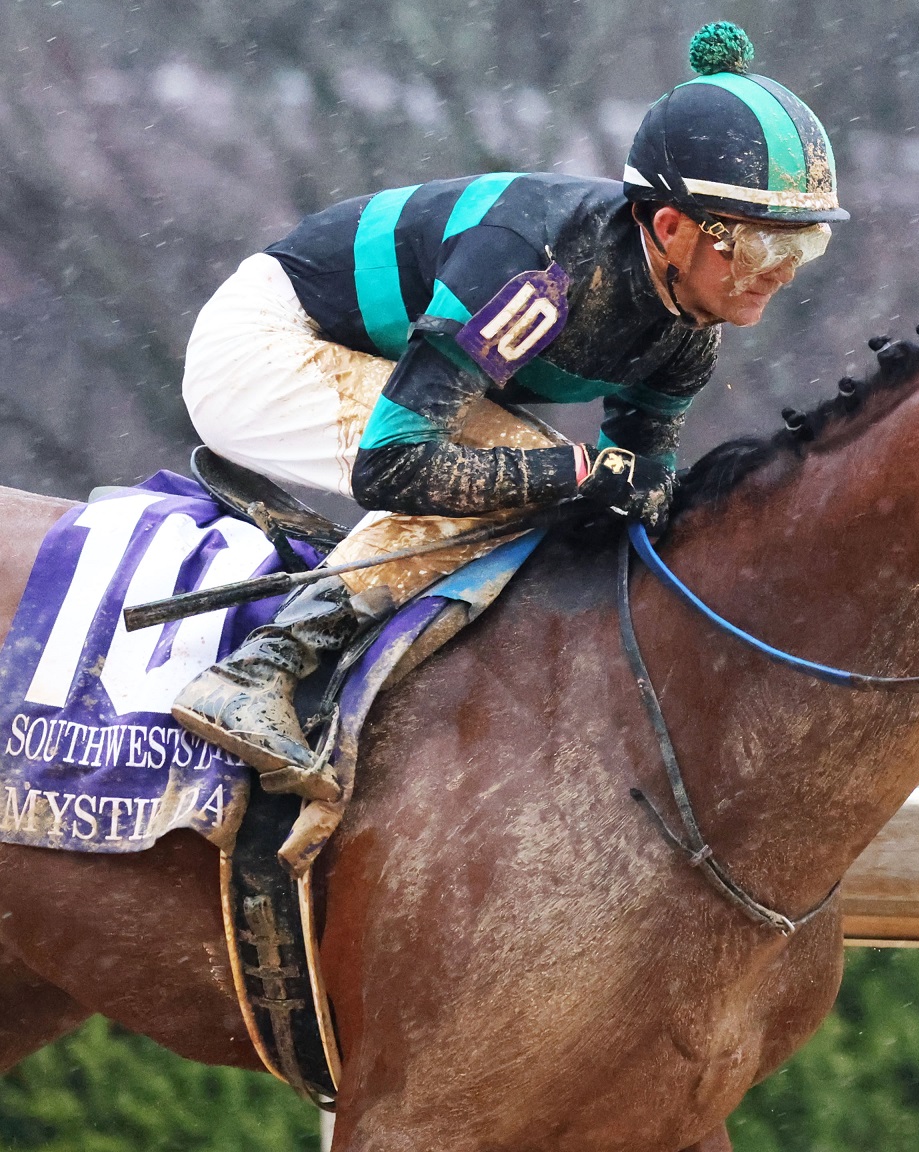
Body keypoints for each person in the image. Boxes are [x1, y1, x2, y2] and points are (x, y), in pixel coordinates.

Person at [170, 22, 848, 801]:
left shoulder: (688, 326)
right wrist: (572, 473)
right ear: (671, 227)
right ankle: (259, 668)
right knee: (528, 464)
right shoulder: (536, 273)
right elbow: (394, 464)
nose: (783, 275)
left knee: (554, 481)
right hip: (263, 348)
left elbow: (644, 495)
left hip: (385, 364)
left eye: (805, 249)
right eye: (764, 249)